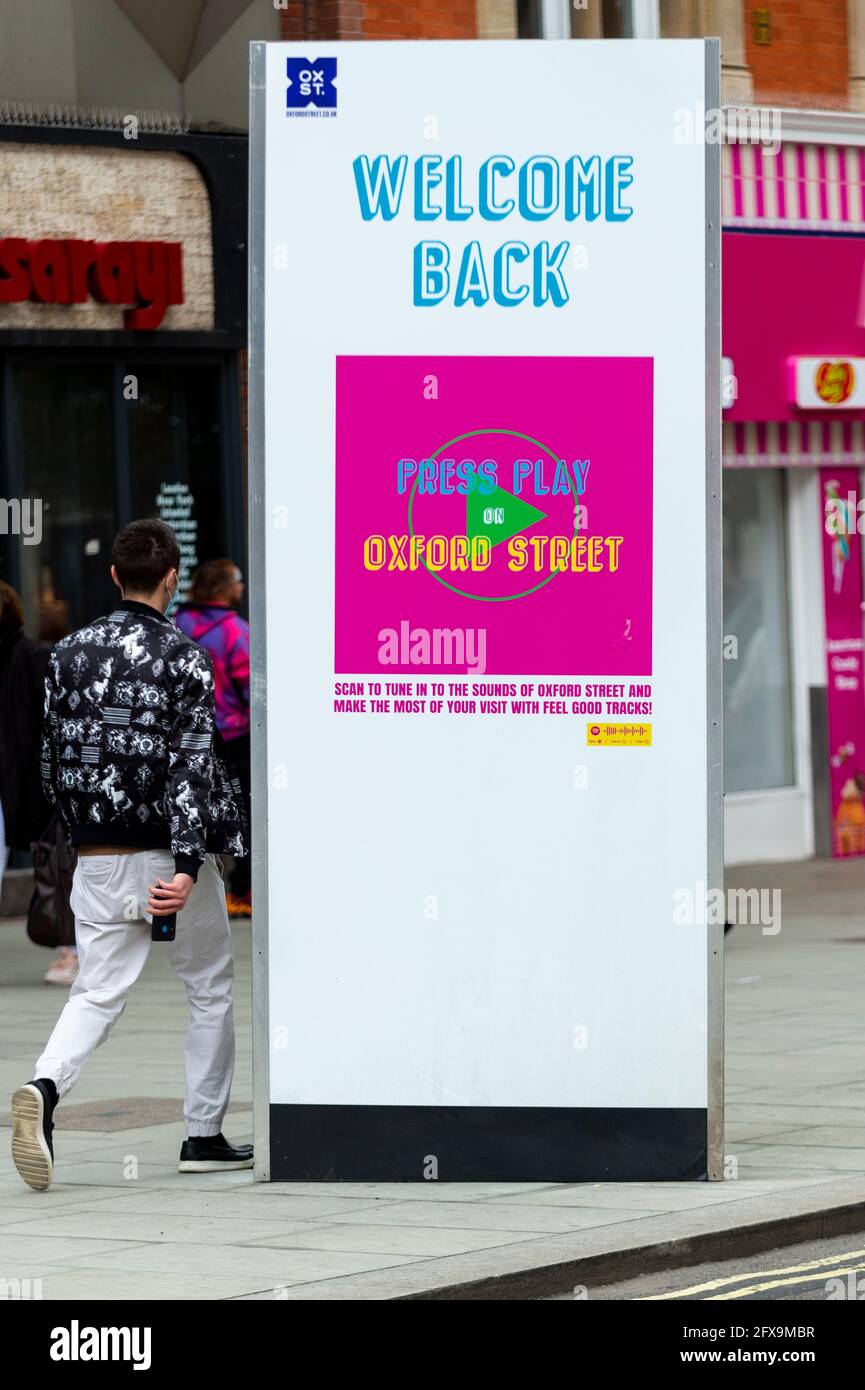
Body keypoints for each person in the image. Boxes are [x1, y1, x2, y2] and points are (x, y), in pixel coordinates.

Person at [10, 519, 252, 1191]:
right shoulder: (184, 657)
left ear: (114, 575)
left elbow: (53, 763)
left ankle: (45, 1088)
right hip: (164, 857)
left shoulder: (68, 654)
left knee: (96, 992)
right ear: (171, 579)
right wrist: (182, 864)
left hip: (96, 856)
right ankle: (201, 1135)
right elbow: (191, 769)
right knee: (207, 988)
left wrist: (79, 838)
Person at [0, 583, 76, 984]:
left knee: (58, 865)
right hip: (15, 780)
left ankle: (71, 950)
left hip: (28, 781)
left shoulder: (31, 657)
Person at [175, 559, 251, 917]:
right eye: (238, 581)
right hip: (233, 737)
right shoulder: (236, 631)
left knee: (191, 808)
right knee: (244, 812)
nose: (243, 588)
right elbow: (252, 689)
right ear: (223, 586)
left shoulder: (177, 625)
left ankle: (194, 886)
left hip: (187, 736)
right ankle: (242, 892)